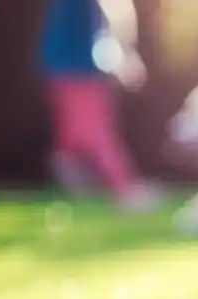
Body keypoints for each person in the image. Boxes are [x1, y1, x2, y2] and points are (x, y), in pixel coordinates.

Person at [37, 0, 160, 211]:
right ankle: (126, 190)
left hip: (60, 65)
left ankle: (81, 187)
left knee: (72, 138)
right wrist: (124, 59)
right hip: (78, 68)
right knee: (95, 133)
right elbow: (114, 13)